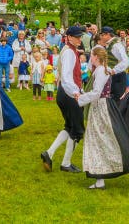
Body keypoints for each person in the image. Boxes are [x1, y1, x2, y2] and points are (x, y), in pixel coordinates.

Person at [78, 46, 129, 189]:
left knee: (110, 139)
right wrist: (81, 93)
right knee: (99, 141)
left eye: (92, 56)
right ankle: (100, 179)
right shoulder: (100, 70)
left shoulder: (101, 70)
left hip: (102, 107)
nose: (91, 58)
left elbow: (97, 93)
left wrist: (80, 99)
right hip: (99, 107)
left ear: (96, 57)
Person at [40, 25, 85, 174]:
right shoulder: (69, 53)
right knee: (77, 131)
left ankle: (50, 153)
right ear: (69, 37)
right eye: (77, 36)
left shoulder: (68, 51)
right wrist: (76, 92)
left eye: (80, 36)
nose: (80, 39)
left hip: (63, 93)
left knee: (69, 127)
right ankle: (66, 163)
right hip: (69, 94)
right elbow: (66, 77)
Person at [96, 26, 129, 101]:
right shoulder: (110, 44)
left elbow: (125, 61)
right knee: (112, 101)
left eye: (102, 35)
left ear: (108, 34)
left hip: (118, 77)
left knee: (117, 101)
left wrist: (114, 70)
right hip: (113, 77)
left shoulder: (116, 45)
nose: (101, 37)